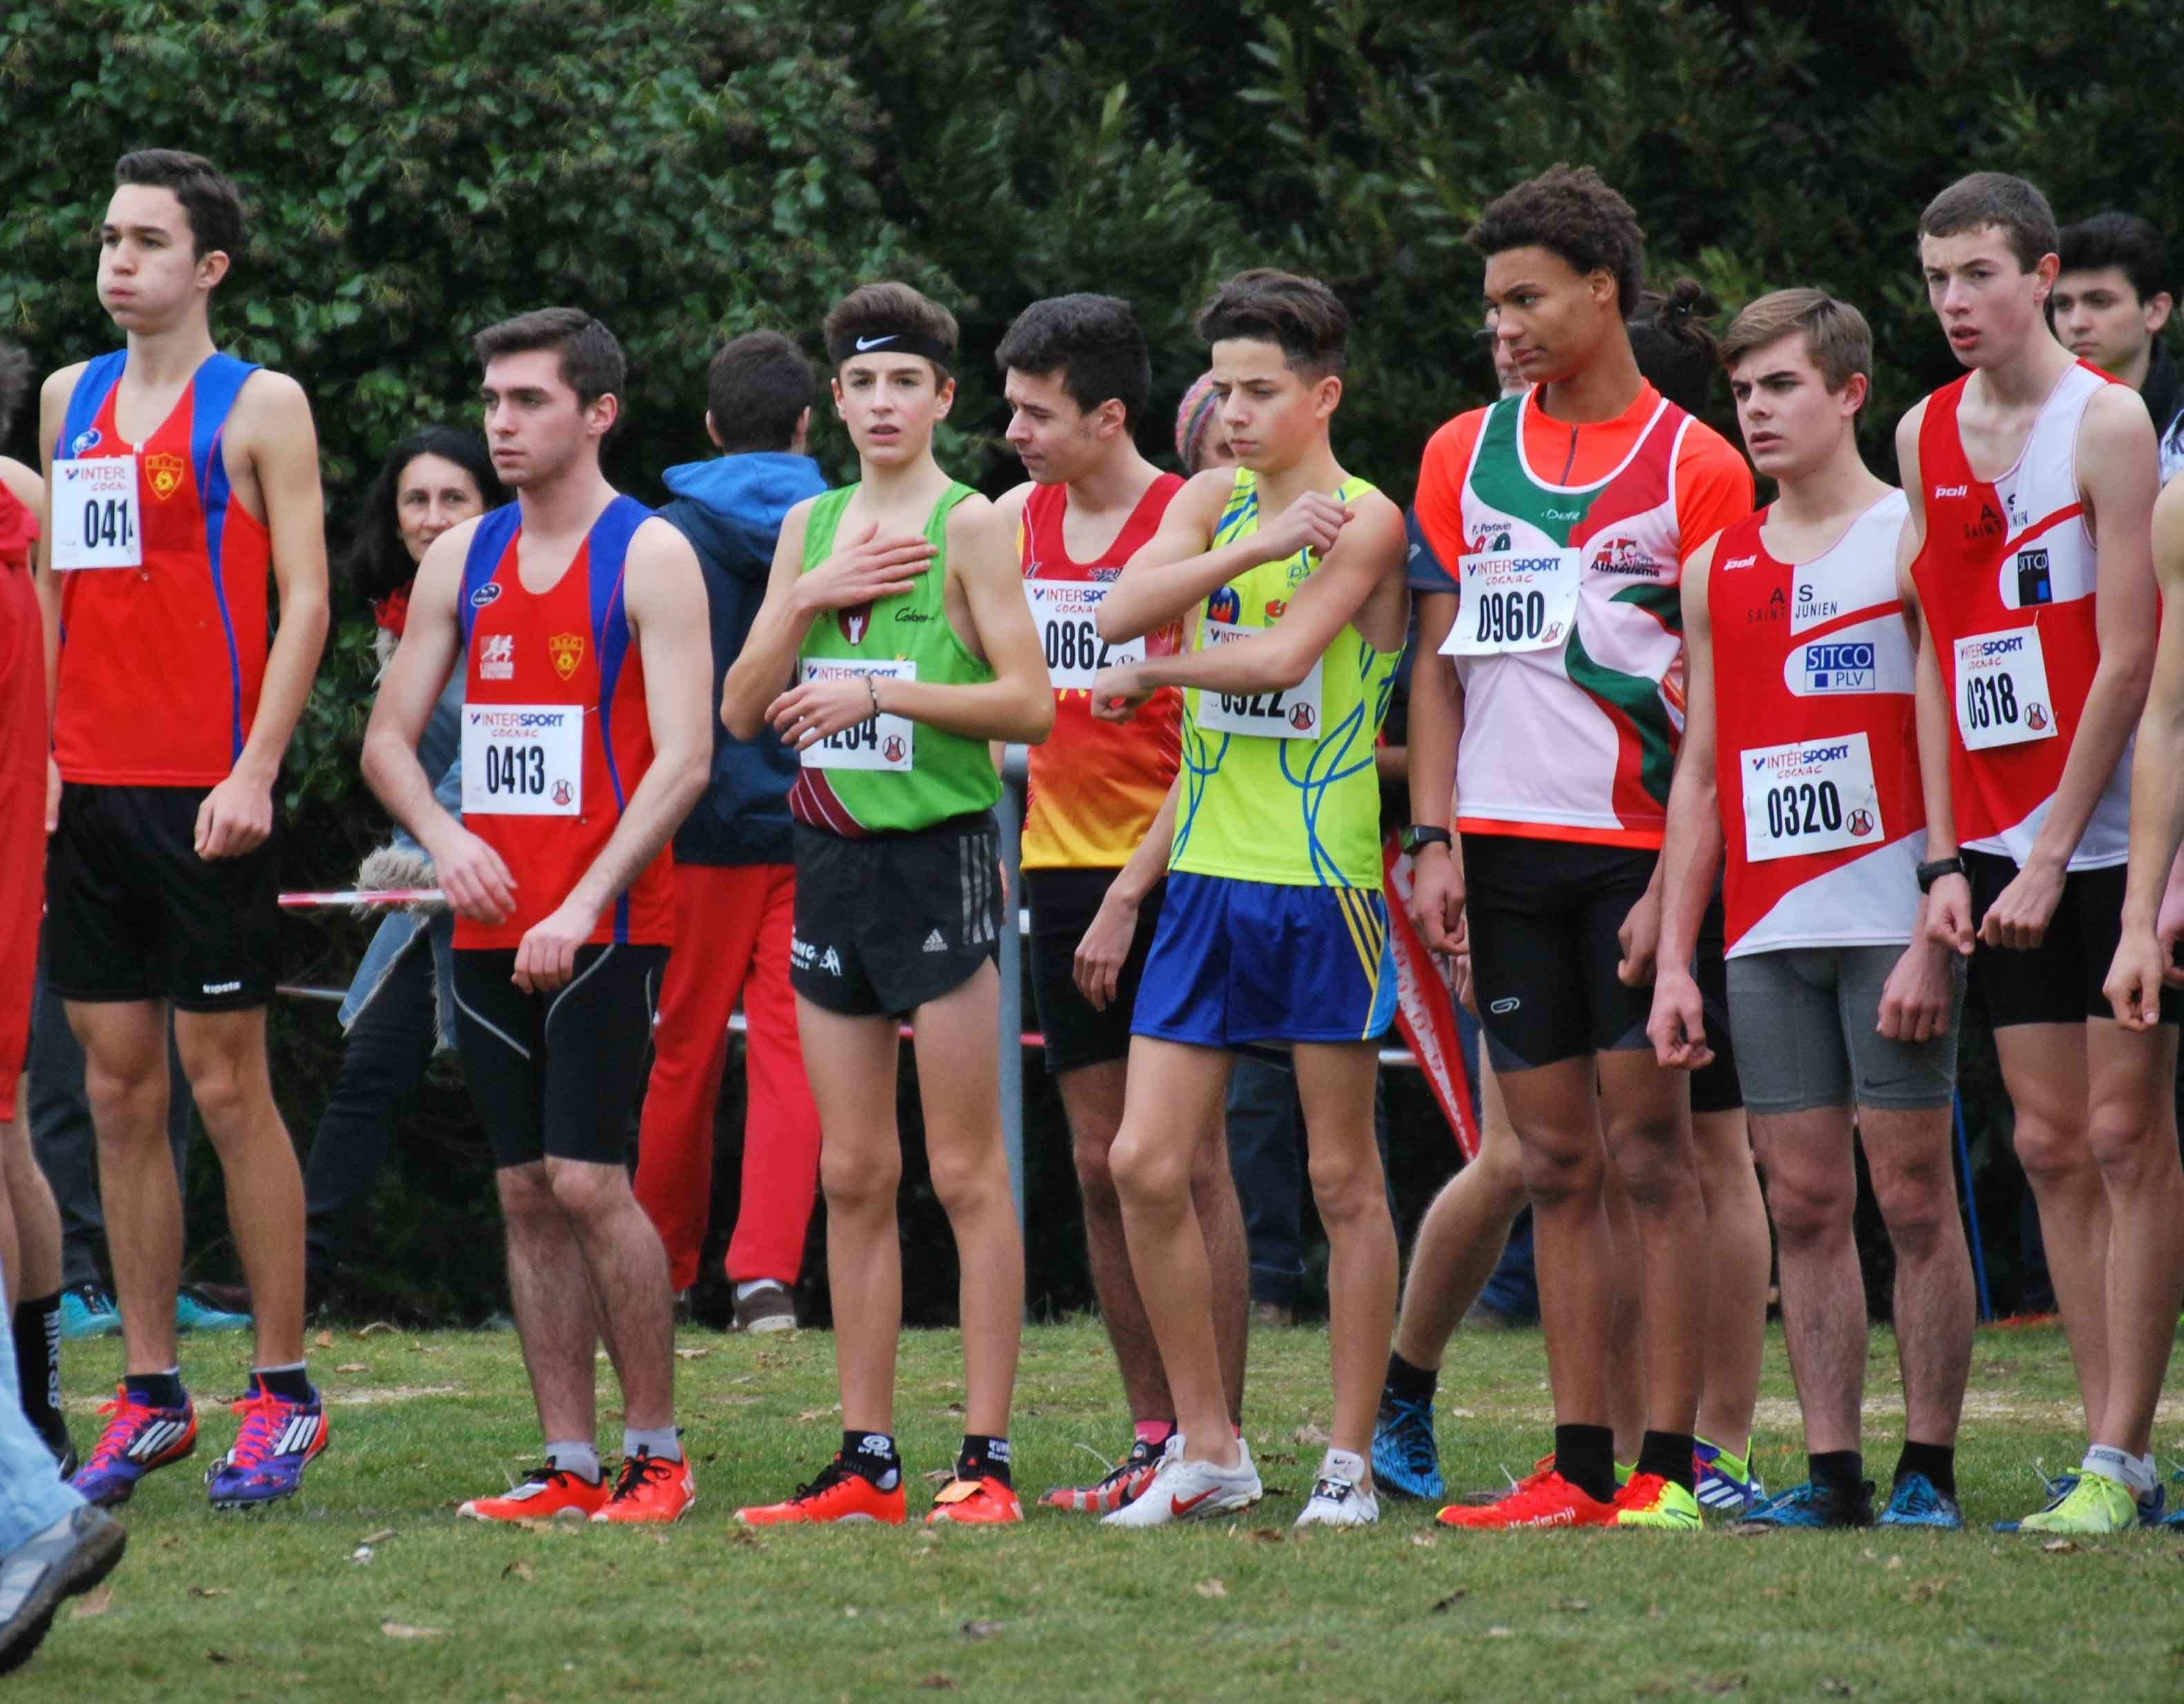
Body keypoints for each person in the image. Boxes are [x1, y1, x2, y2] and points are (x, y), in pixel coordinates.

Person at [1375, 286, 1769, 1515]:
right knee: (1549, 1159)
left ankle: (1672, 1464)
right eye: (1487, 297)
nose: (1501, 318)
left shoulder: (1693, 462)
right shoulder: (1460, 449)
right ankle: (1576, 1462)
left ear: (1599, 292)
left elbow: (1713, 696)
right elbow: (1437, 668)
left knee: (1655, 1157)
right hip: (1499, 855)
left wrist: (1672, 883)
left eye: (1525, 294)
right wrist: (1432, 837)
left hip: (1634, 852)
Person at [363, 307, 711, 1524]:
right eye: (494, 400)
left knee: (588, 1176)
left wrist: (580, 898)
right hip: (488, 917)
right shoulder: (463, 557)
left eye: (529, 402)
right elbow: (387, 741)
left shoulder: (650, 554)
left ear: (597, 413)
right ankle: (565, 1459)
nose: (502, 423)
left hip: (608, 917)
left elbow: (683, 761)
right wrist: (448, 841)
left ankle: (657, 1452)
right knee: (521, 1188)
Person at [722, 282, 1052, 1527]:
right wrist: (804, 602)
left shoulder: (970, 527)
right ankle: (866, 1458)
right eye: (858, 385)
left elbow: (1027, 704)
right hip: (830, 867)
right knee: (853, 1169)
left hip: (939, 859)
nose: (879, 404)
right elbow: (741, 711)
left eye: (901, 382)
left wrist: (885, 698)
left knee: (966, 1170)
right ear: (834, 402)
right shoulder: (806, 526)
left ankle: (985, 1457)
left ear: (942, 398)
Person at [1089, 267, 1410, 1529]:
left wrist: (1152, 669)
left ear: (1321, 393)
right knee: (1141, 1160)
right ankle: (1210, 1445)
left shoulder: (1369, 517)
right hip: (1208, 880)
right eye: (1220, 385)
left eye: (1260, 389)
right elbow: (1115, 607)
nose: (1231, 410)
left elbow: (1281, 658)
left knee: (1341, 1180)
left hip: (1320, 882)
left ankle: (1345, 1461)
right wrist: (1252, 541)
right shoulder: (1218, 501)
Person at [1651, 288, 1975, 1530]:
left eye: (1779, 386)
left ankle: (1926, 1469)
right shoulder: (1715, 561)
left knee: (1908, 1193)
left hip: (1893, 914)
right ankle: (1831, 1471)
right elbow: (1701, 773)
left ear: (1847, 392)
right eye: (1740, 392)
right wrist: (1676, 956)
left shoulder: (1905, 539)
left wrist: (1927, 913)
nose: (1755, 412)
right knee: (1801, 1198)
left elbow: (1943, 723)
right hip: (1765, 932)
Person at [39, 150, 331, 1511]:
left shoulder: (260, 404)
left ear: (208, 267)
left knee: (228, 1085)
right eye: (108, 238)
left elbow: (310, 601)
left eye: (147, 241)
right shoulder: (67, 399)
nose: (118, 261)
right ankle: (150, 1393)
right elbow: (51, 594)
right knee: (114, 1090)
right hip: (85, 791)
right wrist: (36, 755)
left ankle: (282, 1389)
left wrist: (257, 769)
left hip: (207, 790)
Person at [1900, 171, 2182, 1535]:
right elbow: (1942, 654)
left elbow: (2133, 656)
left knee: (2128, 1130)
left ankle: (2126, 1452)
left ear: (2041, 274)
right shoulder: (1919, 431)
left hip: (2119, 837)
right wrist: (1948, 856)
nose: (1955, 301)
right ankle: (2101, 1450)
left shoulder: (2110, 422)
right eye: (1937, 276)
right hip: (1998, 844)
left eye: (1979, 275)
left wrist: (2056, 847)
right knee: (2051, 1139)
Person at [989, 303, 1250, 1517]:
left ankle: (1221, 1436)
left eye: (1035, 411)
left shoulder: (1186, 519)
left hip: (1176, 862)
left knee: (1185, 1160)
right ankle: (1155, 1432)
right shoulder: (1010, 523)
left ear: (1106, 414)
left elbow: (1215, 729)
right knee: (1100, 1164)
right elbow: (1004, 699)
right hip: (1054, 867)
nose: (1012, 432)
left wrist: (1128, 890)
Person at [631, 331, 827, 1334]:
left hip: (693, 825)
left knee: (681, 1052)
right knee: (794, 1055)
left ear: (709, 428)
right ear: (807, 423)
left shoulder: (662, 534)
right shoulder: (848, 526)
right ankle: (764, 1281)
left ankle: (659, 1269)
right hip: (814, 823)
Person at [302, 427, 503, 1309]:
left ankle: (555, 1283)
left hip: (497, 888)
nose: (430, 518)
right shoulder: (400, 615)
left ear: (492, 510)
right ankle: (301, 1273)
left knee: (520, 1095)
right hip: (426, 892)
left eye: (453, 498)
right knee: (371, 1076)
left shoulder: (508, 612)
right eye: (415, 500)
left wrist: (417, 861)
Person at [0, 347, 71, 1475]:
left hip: (25, 818)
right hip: (28, 824)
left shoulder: (24, 506)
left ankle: (22, 1439)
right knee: (7, 1128)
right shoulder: (23, 501)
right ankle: (38, 1415)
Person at [2049, 213, 2182, 481]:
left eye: (2099, 302)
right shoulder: (2033, 421)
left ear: (2156, 311)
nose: (2076, 323)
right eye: (2063, 305)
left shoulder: (2178, 421)